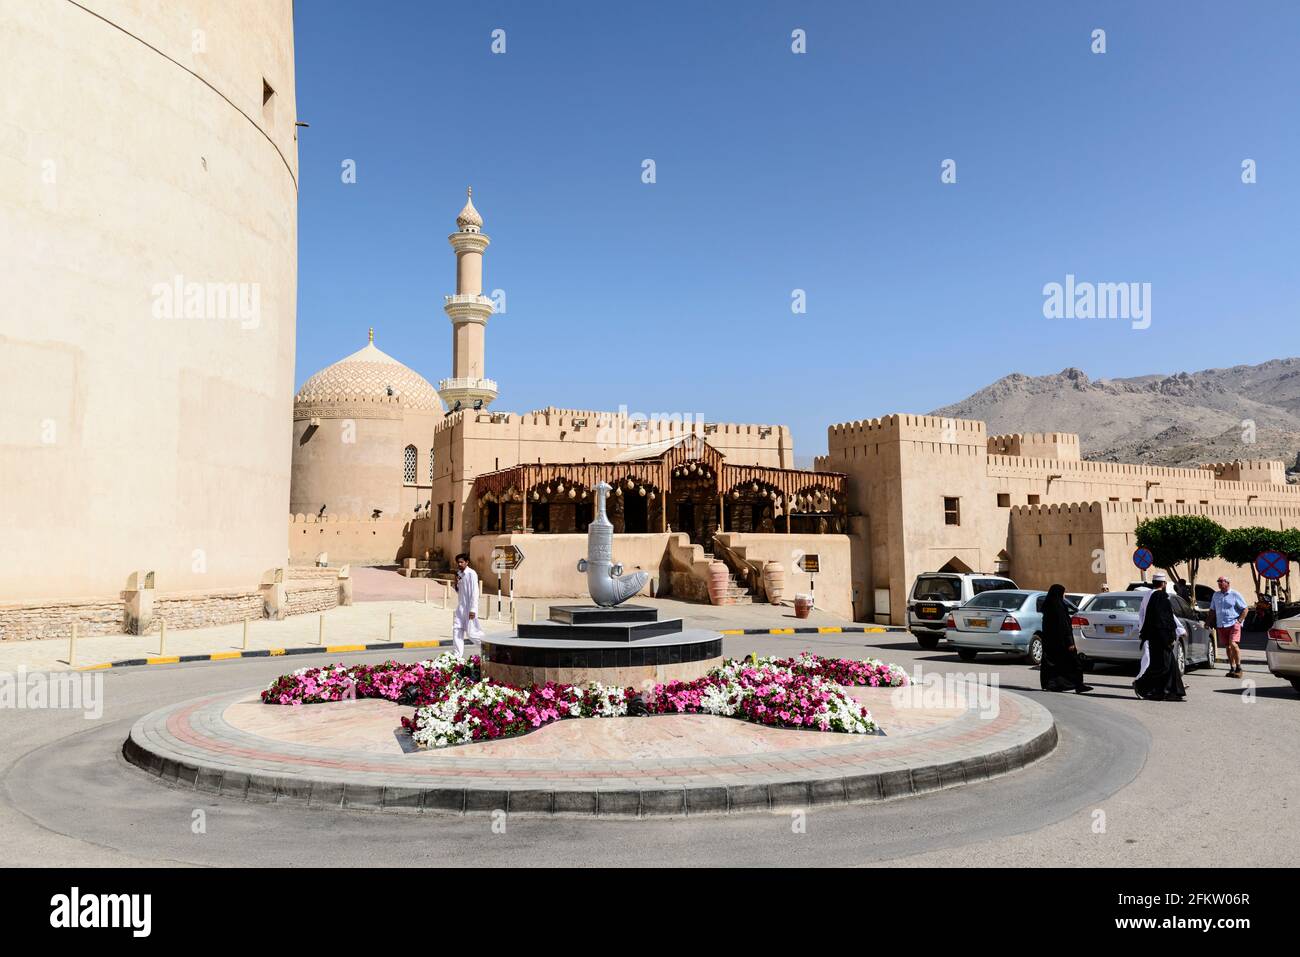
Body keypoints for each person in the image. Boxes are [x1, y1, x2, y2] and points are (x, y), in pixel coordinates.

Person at [1133, 587, 1187, 701]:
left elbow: (1170, 621)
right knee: (1162, 666)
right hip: (1159, 641)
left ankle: (1173, 692)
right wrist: (1169, 637)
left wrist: (1174, 634)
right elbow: (1164, 624)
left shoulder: (1157, 610)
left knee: (1171, 666)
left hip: (1163, 641)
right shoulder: (1156, 616)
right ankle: (1141, 685)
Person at [1039, 583, 1092, 693]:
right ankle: (1077, 685)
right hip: (1062, 642)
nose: (1065, 595)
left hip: (1050, 641)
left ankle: (1054, 684)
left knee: (1053, 664)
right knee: (1073, 662)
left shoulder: (1048, 606)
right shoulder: (1059, 607)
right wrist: (1070, 642)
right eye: (1063, 593)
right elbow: (1064, 626)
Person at [1209, 575, 1248, 678]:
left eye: (1222, 581)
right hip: (1221, 625)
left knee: (1233, 644)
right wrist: (1208, 622)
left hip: (1233, 624)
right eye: (1218, 581)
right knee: (1227, 647)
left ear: (1228, 583)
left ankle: (1239, 667)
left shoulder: (1235, 594)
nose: (1219, 583)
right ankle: (1232, 668)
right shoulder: (1215, 595)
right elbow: (1212, 610)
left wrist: (1239, 621)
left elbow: (1245, 609)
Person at [451, 553, 482, 657]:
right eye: (458, 562)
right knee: (457, 630)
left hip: (469, 608)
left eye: (461, 562)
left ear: (467, 562)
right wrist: (456, 582)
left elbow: (475, 592)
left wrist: (473, 609)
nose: (459, 564)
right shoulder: (459, 574)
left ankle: (489, 648)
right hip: (461, 607)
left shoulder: (471, 574)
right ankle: (457, 656)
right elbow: (458, 591)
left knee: (472, 633)